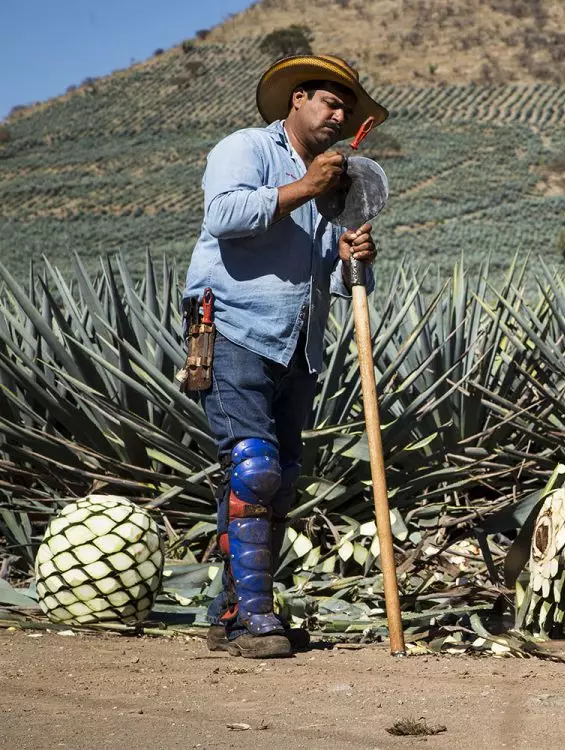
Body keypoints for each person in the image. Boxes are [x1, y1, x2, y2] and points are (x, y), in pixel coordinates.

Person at [183, 54, 389, 658]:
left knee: (277, 483)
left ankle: (230, 612)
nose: (339, 114)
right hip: (233, 327)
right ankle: (255, 619)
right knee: (254, 467)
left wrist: (357, 256)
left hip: (299, 343)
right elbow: (222, 215)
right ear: (298, 99)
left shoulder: (335, 181)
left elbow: (337, 279)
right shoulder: (245, 148)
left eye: (347, 109)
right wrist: (305, 189)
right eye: (330, 102)